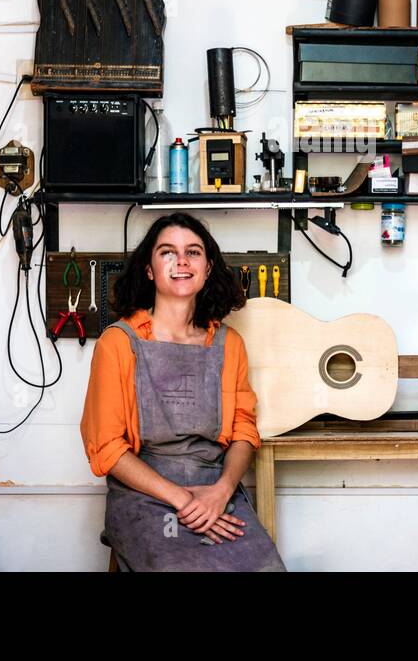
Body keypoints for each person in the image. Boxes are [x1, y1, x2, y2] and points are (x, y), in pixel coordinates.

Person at [79, 212, 287, 571]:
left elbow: (244, 431)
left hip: (216, 489)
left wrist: (221, 492)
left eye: (193, 252)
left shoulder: (228, 344)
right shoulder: (118, 343)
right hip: (145, 495)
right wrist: (183, 500)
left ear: (207, 269)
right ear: (149, 269)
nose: (181, 262)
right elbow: (108, 449)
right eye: (167, 252)